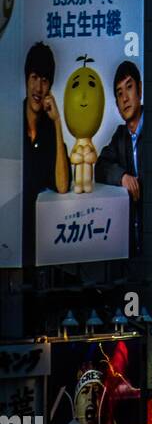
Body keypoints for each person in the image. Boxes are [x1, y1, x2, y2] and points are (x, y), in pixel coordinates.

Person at [22, 42, 70, 267]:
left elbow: (62, 185)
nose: (38, 88)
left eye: (44, 80)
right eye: (34, 77)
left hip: (42, 240)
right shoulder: (11, 120)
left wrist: (58, 122)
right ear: (26, 79)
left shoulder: (49, 129)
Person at [95, 61, 144, 256]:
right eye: (119, 93)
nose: (125, 98)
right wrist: (122, 176)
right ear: (116, 104)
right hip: (132, 234)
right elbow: (100, 167)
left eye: (129, 87)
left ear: (139, 89)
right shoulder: (120, 135)